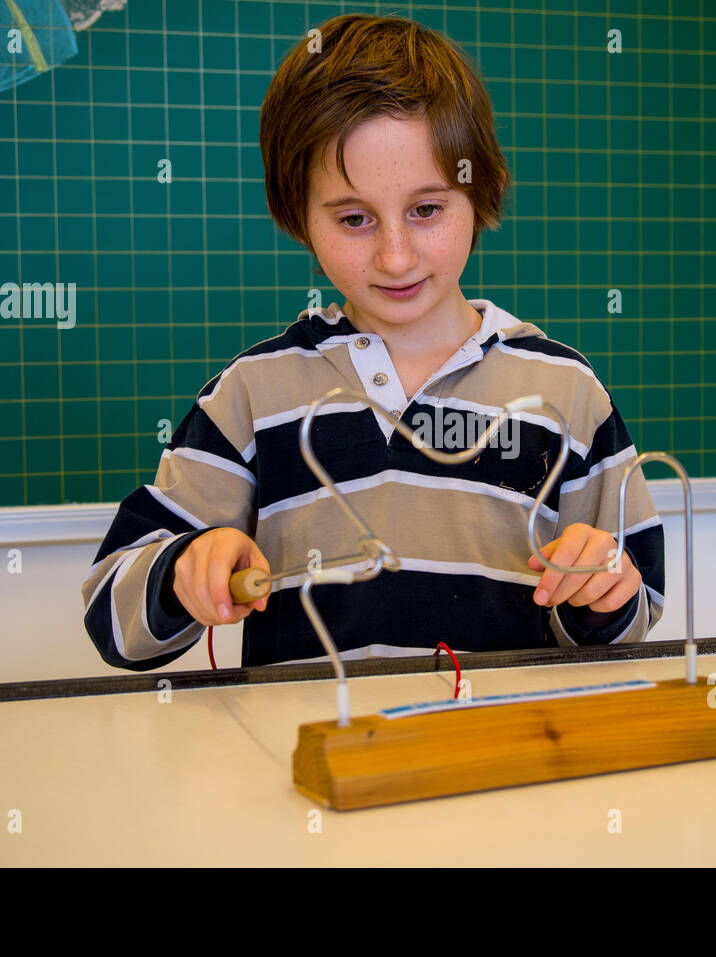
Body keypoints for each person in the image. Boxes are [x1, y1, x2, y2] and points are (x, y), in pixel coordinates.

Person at [82, 13, 665, 670]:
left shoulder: (564, 393)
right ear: (297, 215)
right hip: (306, 763)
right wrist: (182, 571)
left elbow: (631, 616)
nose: (395, 256)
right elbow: (111, 609)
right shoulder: (253, 394)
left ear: (482, 190)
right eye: (354, 218)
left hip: (501, 761)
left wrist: (602, 589)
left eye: (426, 210)